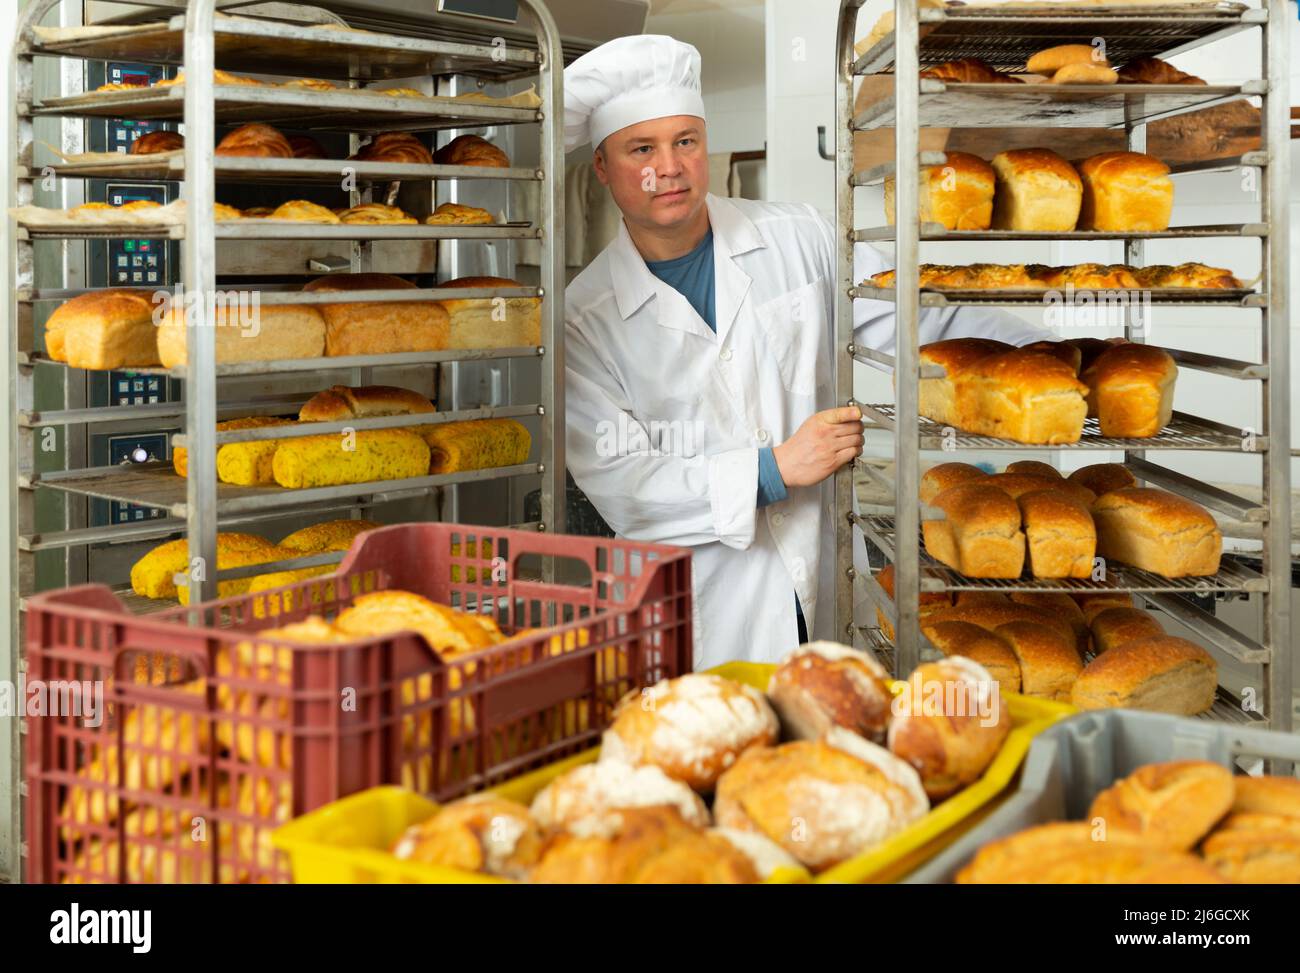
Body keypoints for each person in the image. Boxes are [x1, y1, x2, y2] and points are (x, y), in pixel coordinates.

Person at [562, 35, 1052, 670]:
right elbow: (626, 486)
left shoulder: (801, 237)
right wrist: (774, 469)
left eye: (686, 140)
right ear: (602, 167)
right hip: (706, 612)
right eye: (641, 149)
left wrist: (1051, 350)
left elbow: (922, 321)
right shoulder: (583, 317)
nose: (671, 167)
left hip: (828, 579)